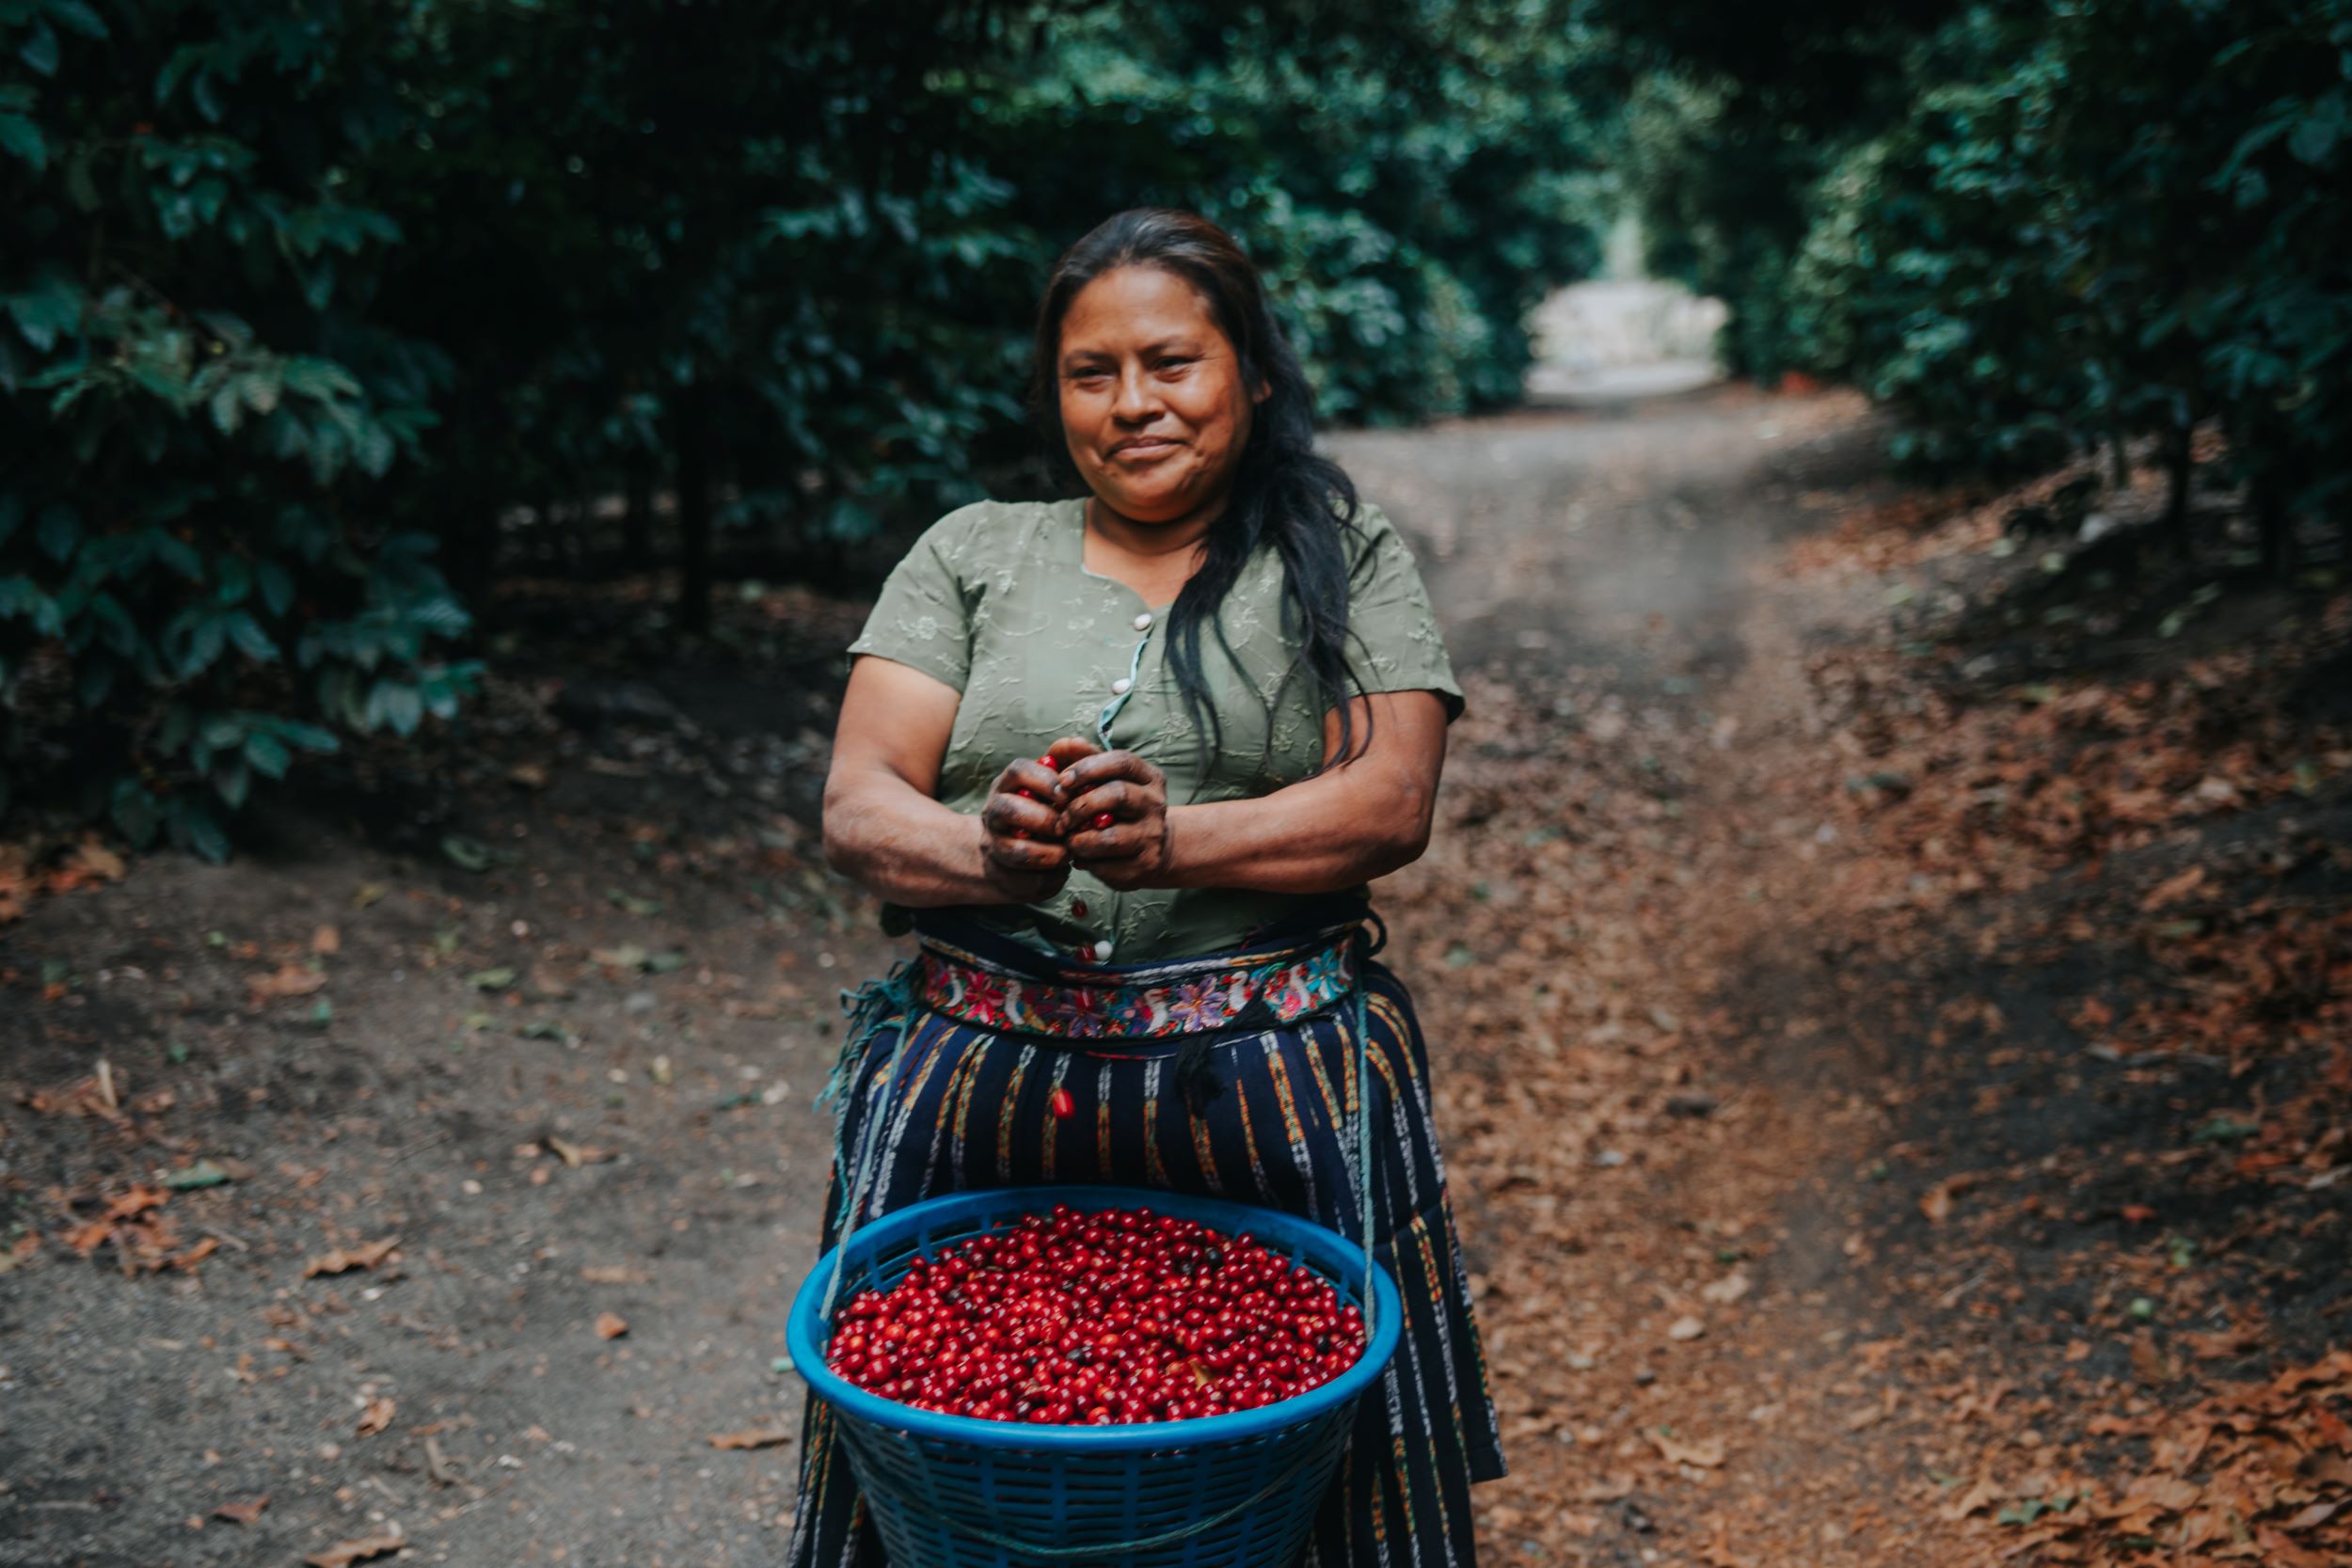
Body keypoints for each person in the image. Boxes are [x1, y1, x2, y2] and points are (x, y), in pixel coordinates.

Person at [787, 206, 1504, 1567]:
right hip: (979, 1097)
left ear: (1255, 374)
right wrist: (988, 851)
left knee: (1301, 1461)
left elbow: (1389, 799)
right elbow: (861, 801)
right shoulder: (972, 553)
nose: (1132, 404)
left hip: (1268, 1093)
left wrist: (1180, 843)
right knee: (962, 1450)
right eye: (1091, 373)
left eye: (1171, 362)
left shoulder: (1338, 554)